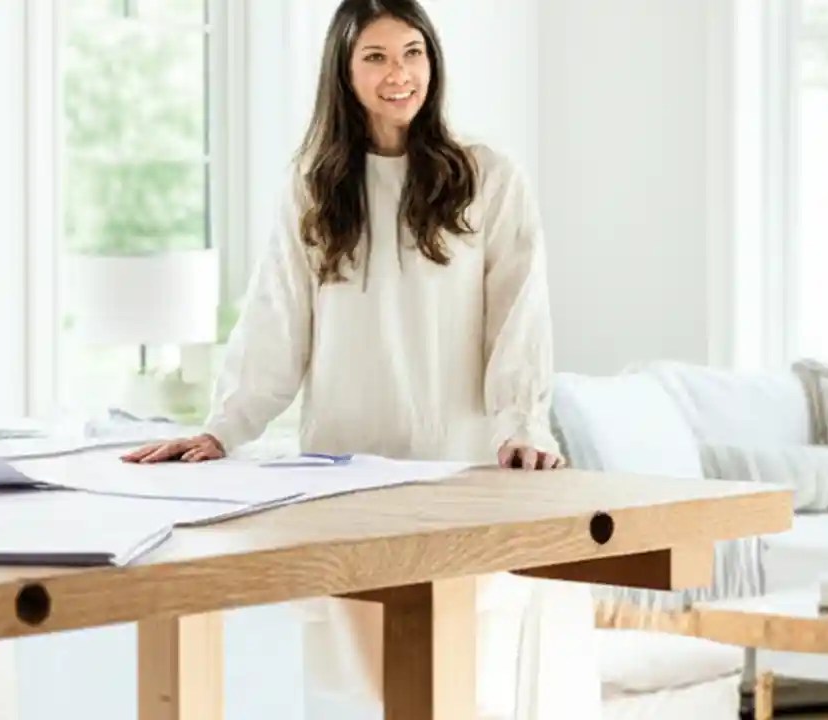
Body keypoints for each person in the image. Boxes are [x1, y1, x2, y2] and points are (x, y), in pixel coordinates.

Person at [123, 0, 590, 716]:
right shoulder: (315, 185)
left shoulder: (486, 177)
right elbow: (277, 318)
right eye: (375, 56)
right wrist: (224, 427)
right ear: (343, 72)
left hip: (463, 472)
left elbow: (519, 314)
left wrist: (520, 423)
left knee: (462, 684)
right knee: (364, 692)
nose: (399, 73)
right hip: (346, 480)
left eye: (413, 52)